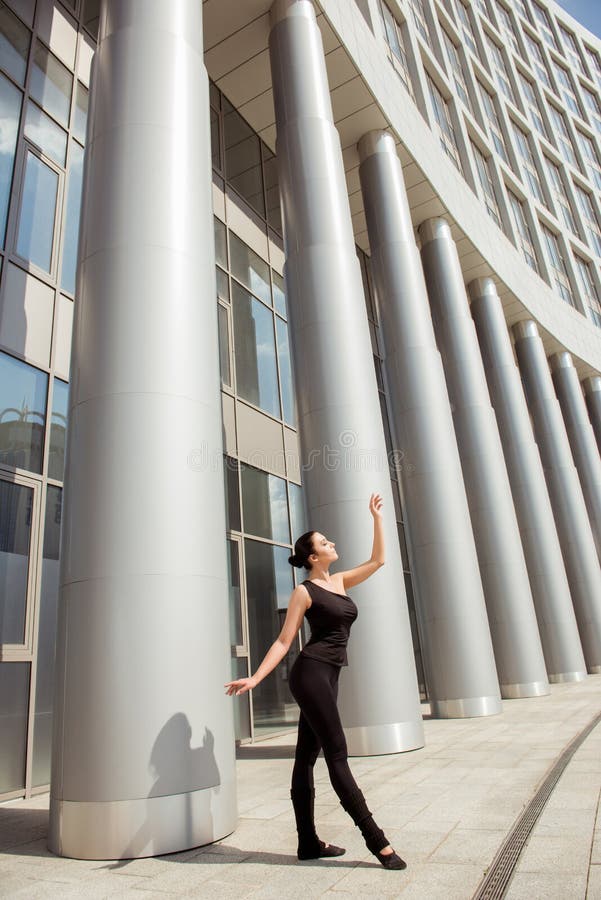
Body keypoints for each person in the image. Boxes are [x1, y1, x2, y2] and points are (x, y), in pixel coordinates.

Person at [225, 493, 406, 871]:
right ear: (312, 557)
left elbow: (378, 560)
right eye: (325, 543)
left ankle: (307, 843)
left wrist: (376, 519)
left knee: (305, 758)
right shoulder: (303, 592)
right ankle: (379, 843)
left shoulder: (340, 581)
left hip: (329, 676)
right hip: (310, 675)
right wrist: (256, 678)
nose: (332, 545)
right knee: (337, 755)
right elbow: (283, 640)